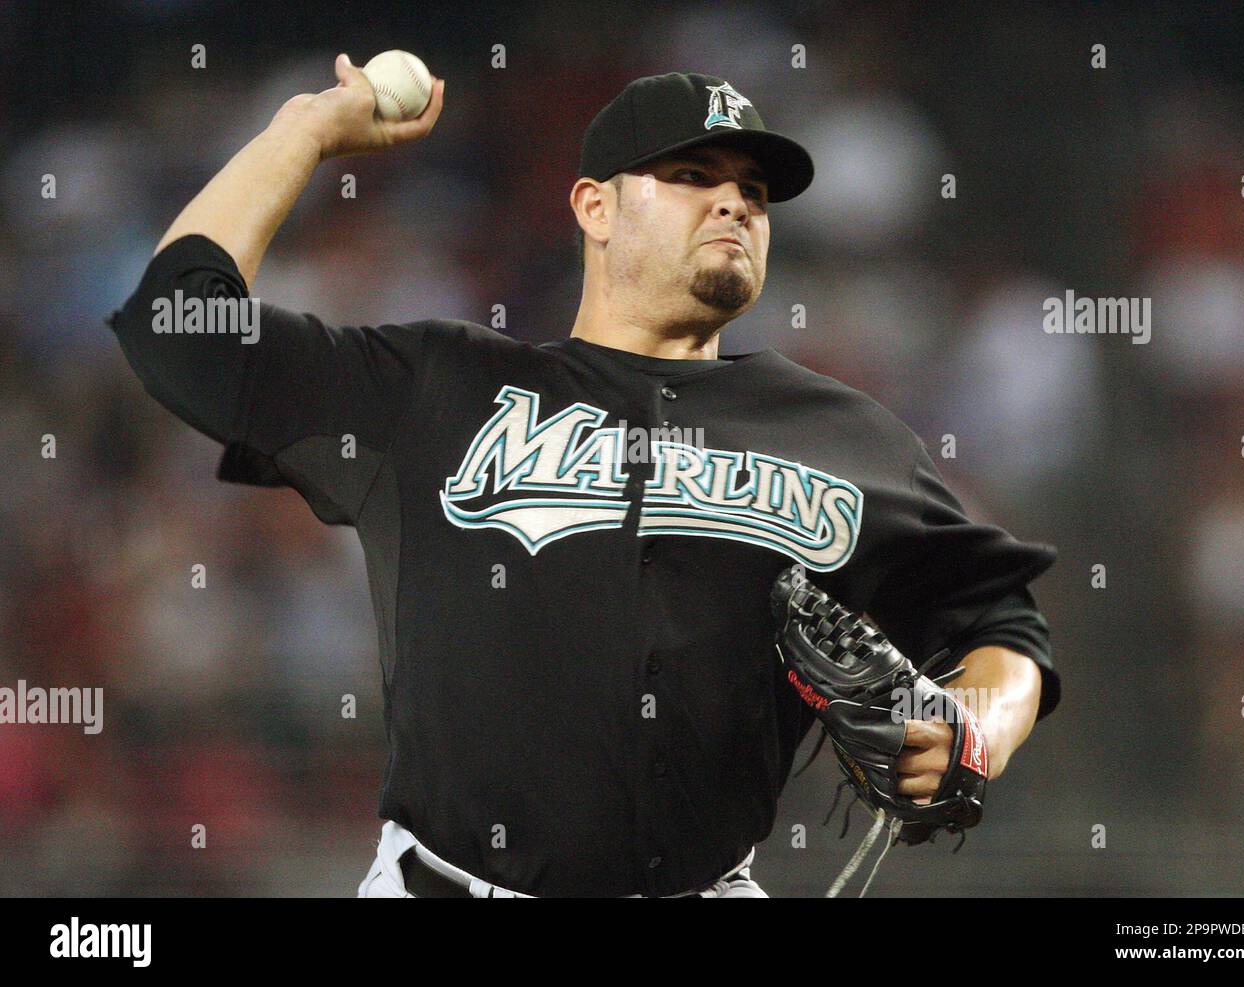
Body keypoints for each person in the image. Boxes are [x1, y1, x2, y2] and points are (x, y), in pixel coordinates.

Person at [108, 62, 1059, 897]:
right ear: (593, 208)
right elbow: (176, 328)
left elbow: (1002, 622)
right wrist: (304, 132)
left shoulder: (847, 436)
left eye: (755, 190)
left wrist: (976, 726)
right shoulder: (436, 388)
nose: (734, 203)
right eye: (692, 176)